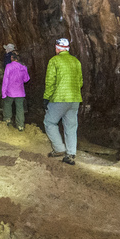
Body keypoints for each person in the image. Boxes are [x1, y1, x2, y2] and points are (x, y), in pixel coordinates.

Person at [43, 37, 83, 165]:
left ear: (57, 48)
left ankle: (59, 148)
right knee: (71, 127)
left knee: (49, 122)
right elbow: (80, 81)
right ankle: (71, 154)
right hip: (75, 99)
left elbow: (50, 81)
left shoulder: (54, 60)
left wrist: (46, 97)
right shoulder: (76, 61)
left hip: (60, 98)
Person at [1, 51, 30, 131]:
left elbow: (5, 80)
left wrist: (3, 93)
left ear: (12, 58)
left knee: (7, 104)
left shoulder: (9, 66)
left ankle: (7, 120)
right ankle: (20, 125)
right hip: (20, 92)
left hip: (10, 91)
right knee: (20, 108)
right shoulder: (23, 67)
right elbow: (26, 79)